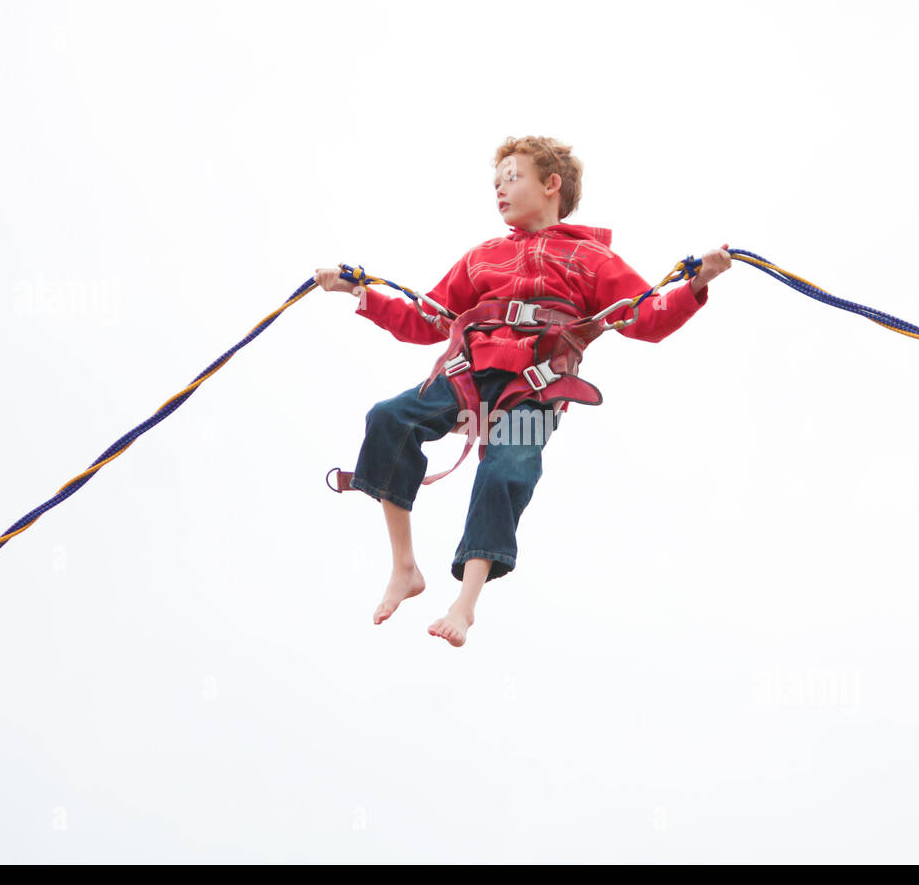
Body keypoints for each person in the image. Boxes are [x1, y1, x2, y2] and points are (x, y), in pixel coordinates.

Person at [314, 135, 732, 647]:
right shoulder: (482, 258)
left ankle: (464, 605)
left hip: (535, 384)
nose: (499, 191)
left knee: (508, 466)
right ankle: (404, 567)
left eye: (511, 178)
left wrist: (695, 283)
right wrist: (361, 294)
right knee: (388, 418)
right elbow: (427, 320)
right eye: (495, 183)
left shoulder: (592, 258)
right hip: (470, 372)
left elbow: (644, 317)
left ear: (551, 185)